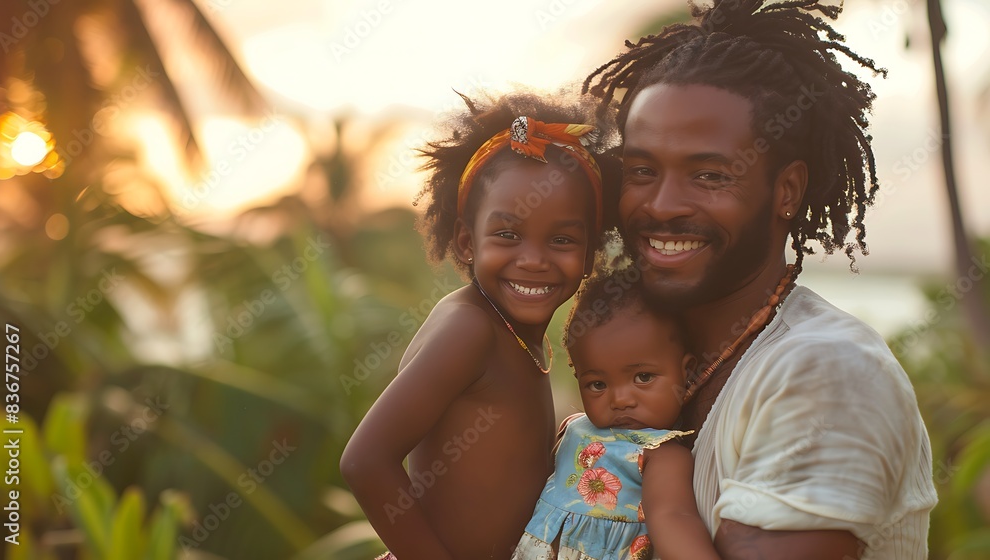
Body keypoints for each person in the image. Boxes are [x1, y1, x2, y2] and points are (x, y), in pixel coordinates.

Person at [581, 0, 938, 558]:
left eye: (709, 175)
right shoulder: (651, 358)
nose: (662, 204)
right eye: (642, 170)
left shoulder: (826, 372)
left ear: (787, 191)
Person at [340, 91, 616, 560]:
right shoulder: (470, 328)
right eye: (507, 235)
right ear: (467, 241)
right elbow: (365, 461)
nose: (533, 260)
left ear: (591, 253)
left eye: (562, 239)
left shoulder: (514, 336)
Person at [512, 265, 719, 560]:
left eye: (643, 377)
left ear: (686, 372)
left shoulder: (660, 454)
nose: (620, 400)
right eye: (598, 384)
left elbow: (673, 519)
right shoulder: (572, 429)